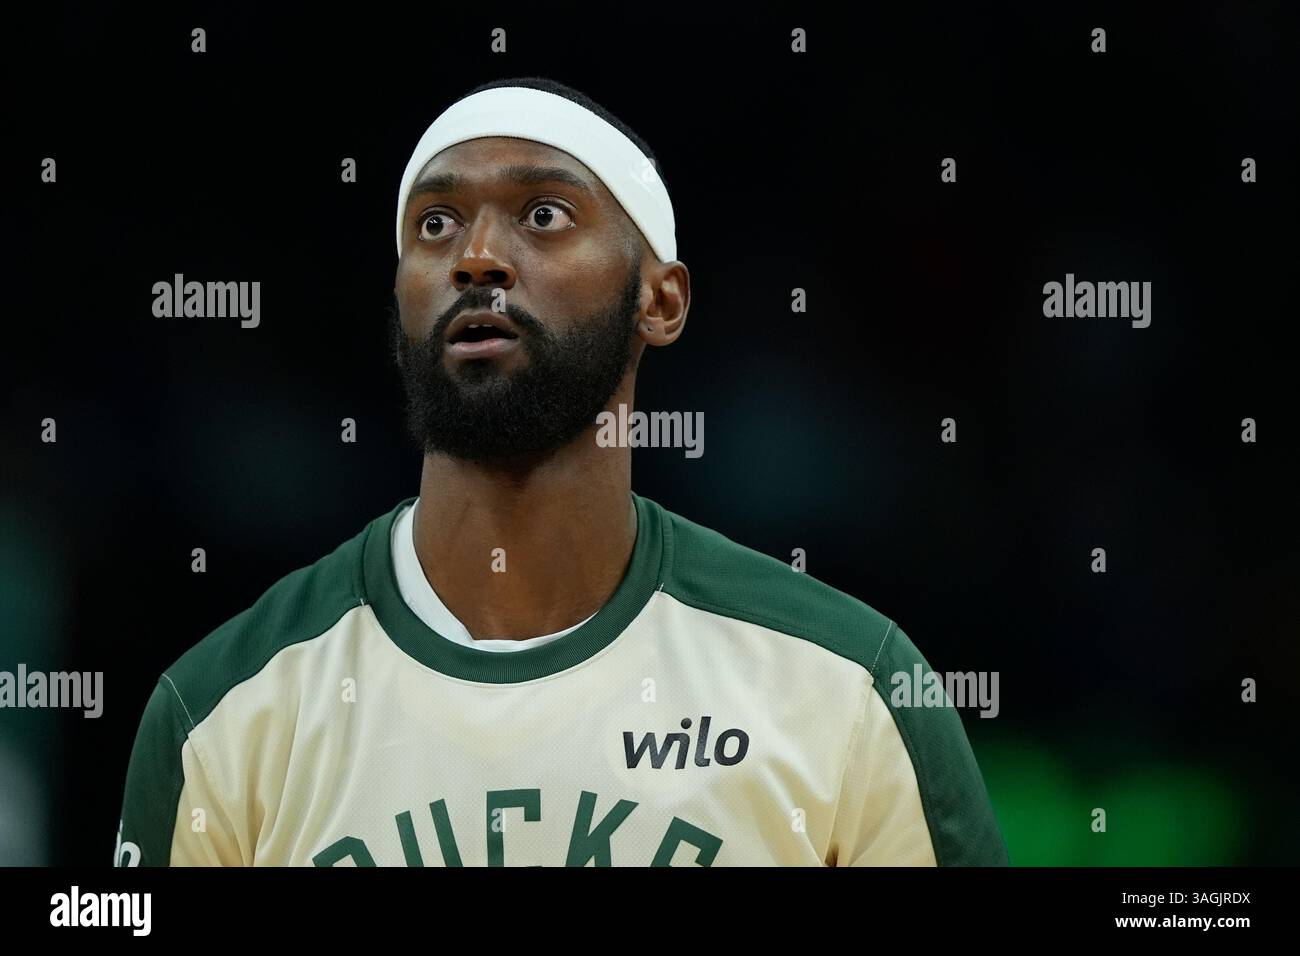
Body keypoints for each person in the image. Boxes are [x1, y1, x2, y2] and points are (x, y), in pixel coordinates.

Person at [114, 76, 1008, 866]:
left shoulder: (848, 688)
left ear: (660, 301)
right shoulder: (222, 715)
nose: (478, 256)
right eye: (436, 224)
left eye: (543, 214)